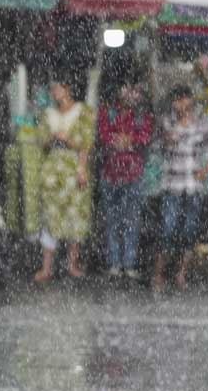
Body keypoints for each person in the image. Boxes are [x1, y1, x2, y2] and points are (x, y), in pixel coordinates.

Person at [153, 85, 208, 292]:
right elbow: (157, 147)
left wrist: (206, 170)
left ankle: (181, 274)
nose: (181, 104)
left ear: (190, 100)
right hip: (172, 183)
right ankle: (158, 274)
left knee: (190, 230)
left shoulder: (202, 122)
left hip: (193, 185)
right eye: (177, 100)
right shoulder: (166, 121)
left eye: (184, 100)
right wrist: (169, 138)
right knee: (167, 228)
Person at [34, 78, 96, 283]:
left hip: (73, 167)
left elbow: (86, 142)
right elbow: (41, 141)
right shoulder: (48, 113)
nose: (54, 92)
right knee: (50, 217)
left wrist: (81, 168)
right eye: (52, 88)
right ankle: (46, 268)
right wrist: (53, 137)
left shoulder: (83, 111)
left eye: (57, 88)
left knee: (75, 216)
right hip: (53, 169)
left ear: (68, 88)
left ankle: (72, 264)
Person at [98, 80, 153, 279]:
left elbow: (145, 136)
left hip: (134, 173)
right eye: (126, 88)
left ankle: (129, 263)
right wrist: (122, 140)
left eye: (133, 89)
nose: (131, 93)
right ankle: (114, 263)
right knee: (112, 219)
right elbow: (103, 135)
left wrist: (127, 140)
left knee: (132, 219)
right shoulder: (107, 111)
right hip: (110, 173)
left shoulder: (142, 114)